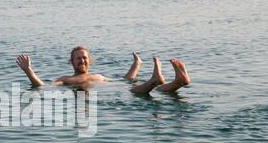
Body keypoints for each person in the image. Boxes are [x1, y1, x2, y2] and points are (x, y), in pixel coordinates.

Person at [16, 46, 191, 93]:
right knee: (135, 91)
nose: (82, 60)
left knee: (142, 89)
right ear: (72, 62)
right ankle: (155, 80)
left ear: (89, 61)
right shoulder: (66, 79)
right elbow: (43, 87)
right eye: (78, 58)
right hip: (116, 95)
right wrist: (28, 71)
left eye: (85, 58)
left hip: (115, 89)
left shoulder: (98, 75)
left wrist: (136, 65)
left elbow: (125, 80)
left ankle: (179, 81)